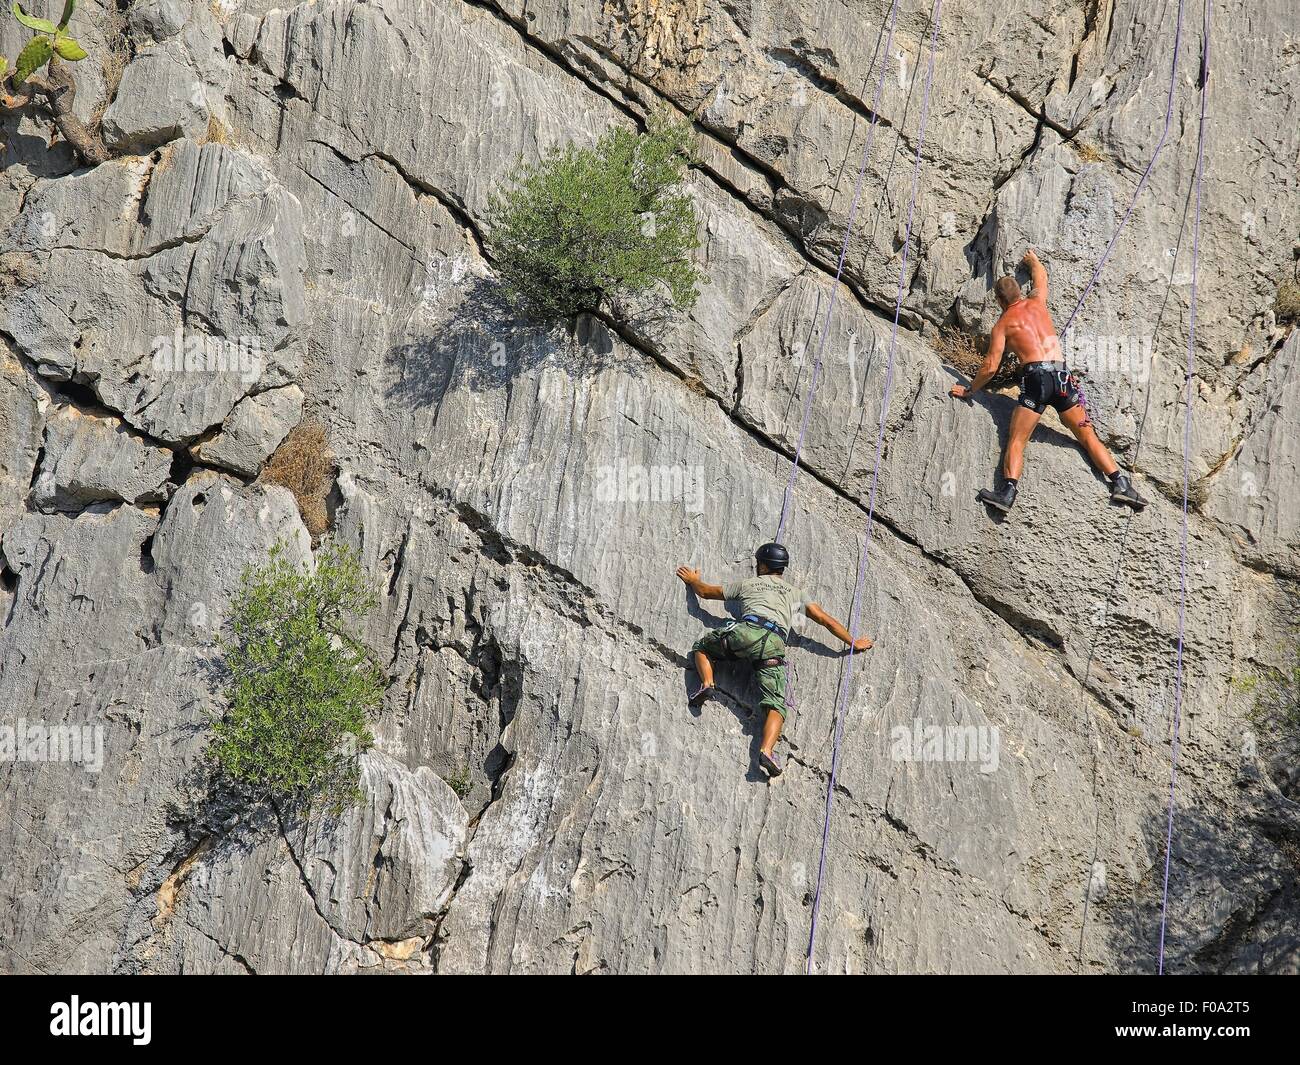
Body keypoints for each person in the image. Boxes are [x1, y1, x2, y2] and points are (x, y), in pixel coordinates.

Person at [949, 248, 1147, 512]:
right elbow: (1041, 277)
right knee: (1085, 433)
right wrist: (1034, 261)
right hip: (1062, 377)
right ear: (1019, 293)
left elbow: (990, 366)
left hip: (1037, 378)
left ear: (999, 301)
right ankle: (1120, 483)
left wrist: (970, 390)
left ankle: (1007, 493)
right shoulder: (1037, 301)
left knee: (1017, 438)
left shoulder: (1004, 323)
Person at [675, 542, 872, 777]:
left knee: (702, 647)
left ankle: (707, 684)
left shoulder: (750, 584)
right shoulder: (795, 594)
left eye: (758, 563)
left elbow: (706, 592)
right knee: (776, 704)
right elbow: (824, 620)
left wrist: (693, 580)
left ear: (764, 565)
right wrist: (852, 641)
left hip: (746, 632)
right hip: (773, 644)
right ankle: (767, 750)